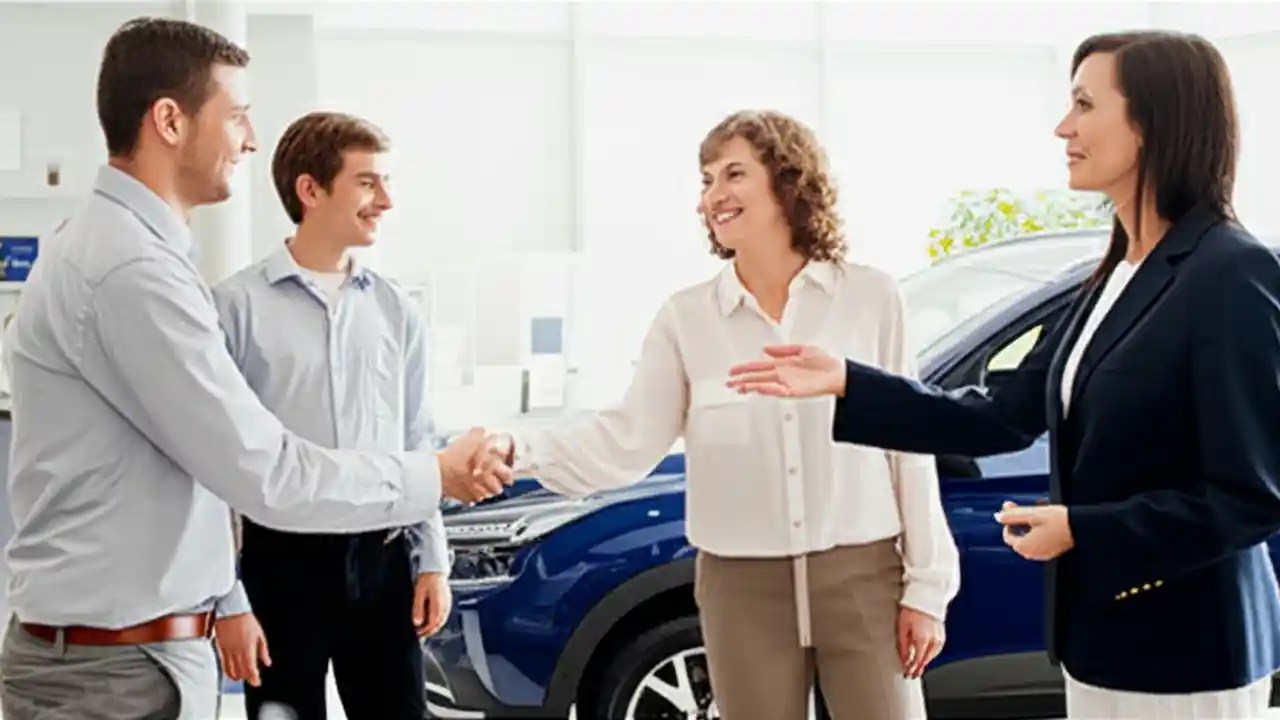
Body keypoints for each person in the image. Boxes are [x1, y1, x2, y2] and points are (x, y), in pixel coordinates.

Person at [727, 31, 1280, 719]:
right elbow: (999, 412)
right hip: (1101, 645)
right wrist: (848, 381)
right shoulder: (1113, 275)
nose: (1063, 127)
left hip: (1190, 650)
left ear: (1151, 123)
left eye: (1084, 105)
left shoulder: (1230, 274)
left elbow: (1249, 498)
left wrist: (1085, 529)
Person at [0, 18, 508, 720]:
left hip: (140, 652)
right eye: (236, 115)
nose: (250, 138)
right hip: (118, 667)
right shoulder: (133, 271)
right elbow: (259, 471)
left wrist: (429, 546)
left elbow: (207, 463)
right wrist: (438, 475)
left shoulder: (131, 253)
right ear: (170, 121)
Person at [477, 110, 960, 719]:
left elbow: (907, 444)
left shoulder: (869, 297)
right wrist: (520, 451)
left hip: (862, 573)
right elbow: (627, 439)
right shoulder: (687, 319)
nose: (713, 196)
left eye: (734, 174)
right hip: (741, 586)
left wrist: (927, 588)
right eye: (706, 181)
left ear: (788, 181)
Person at [210, 111, 451, 720]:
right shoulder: (235, 308)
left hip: (384, 556)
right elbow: (211, 467)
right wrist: (229, 598)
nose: (386, 201)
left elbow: (417, 439)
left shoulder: (397, 309)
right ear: (310, 190)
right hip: (280, 565)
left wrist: (432, 560)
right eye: (368, 183)